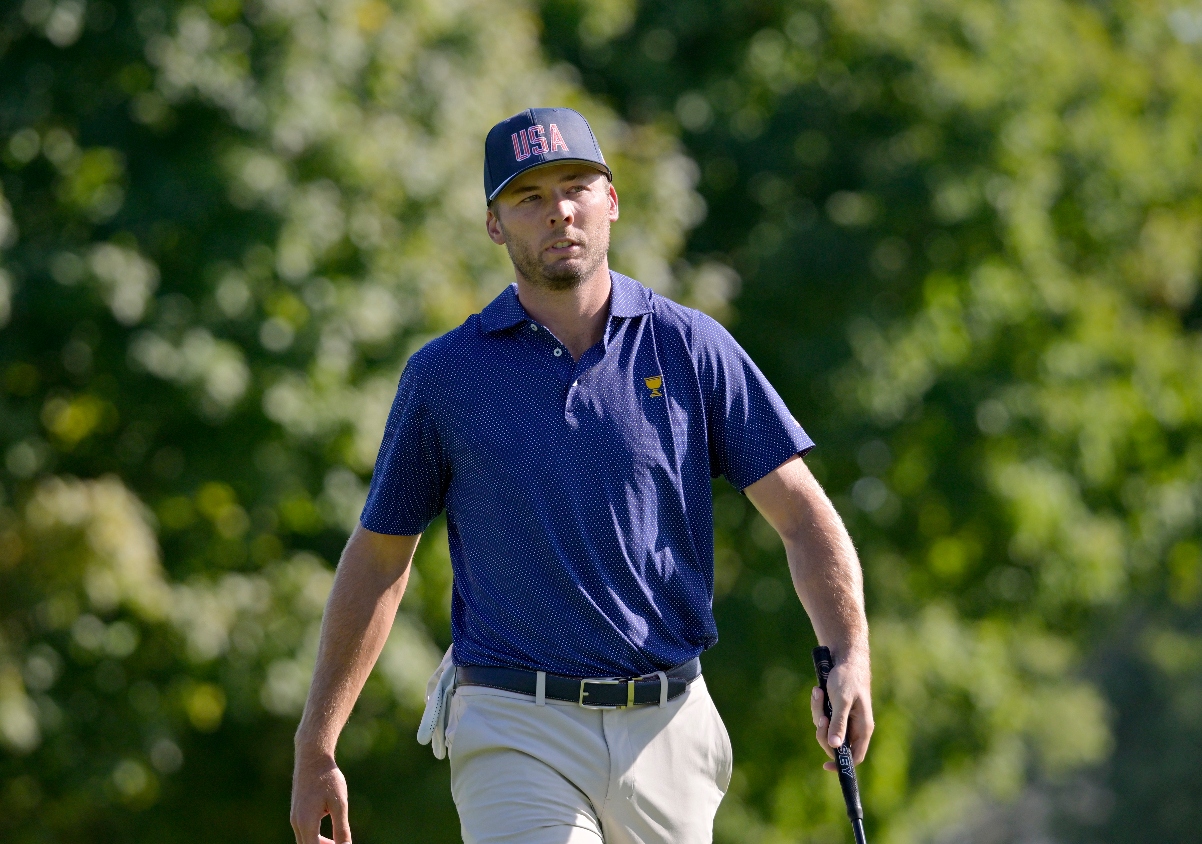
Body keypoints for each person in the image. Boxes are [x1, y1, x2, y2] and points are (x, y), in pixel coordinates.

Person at [290, 107, 873, 844]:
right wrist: (318, 745)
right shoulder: (444, 378)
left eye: (576, 186)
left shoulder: (690, 347)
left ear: (612, 201)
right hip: (514, 724)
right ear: (496, 225)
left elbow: (802, 516)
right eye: (528, 198)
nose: (559, 211)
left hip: (670, 725)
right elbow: (379, 558)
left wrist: (848, 654)